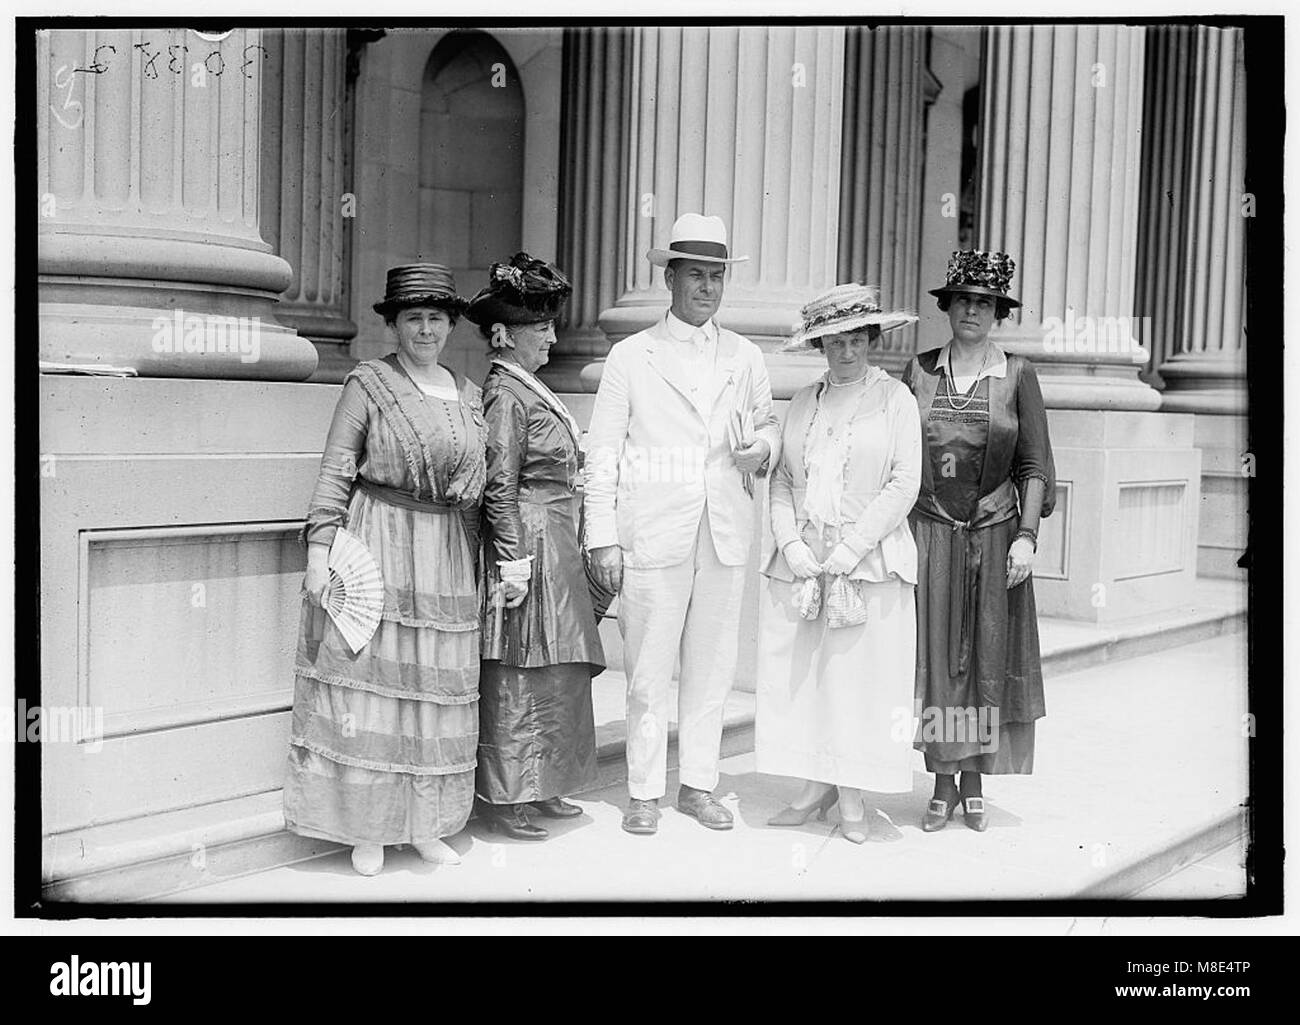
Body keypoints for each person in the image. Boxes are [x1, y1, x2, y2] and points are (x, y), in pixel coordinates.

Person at [284, 264, 487, 876]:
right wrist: (319, 552)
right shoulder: (369, 384)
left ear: (451, 325)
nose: (425, 329)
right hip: (378, 541)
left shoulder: (469, 393)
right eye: (412, 318)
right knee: (371, 689)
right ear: (394, 325)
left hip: (444, 553)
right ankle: (367, 830)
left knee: (431, 690)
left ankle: (425, 826)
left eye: (436, 318)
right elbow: (336, 468)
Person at [585, 212, 782, 835]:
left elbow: (768, 426)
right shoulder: (631, 356)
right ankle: (643, 790)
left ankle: (698, 785)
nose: (707, 287)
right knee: (648, 671)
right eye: (695, 274)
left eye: (716, 276)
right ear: (669, 279)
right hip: (653, 532)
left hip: (723, 531)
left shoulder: (745, 355)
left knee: (712, 667)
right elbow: (603, 452)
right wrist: (601, 537)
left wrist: (762, 449)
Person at [756, 284, 922, 844]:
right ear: (820, 347)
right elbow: (783, 479)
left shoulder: (895, 399)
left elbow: (904, 482)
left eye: (856, 340)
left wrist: (850, 550)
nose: (846, 351)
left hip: (868, 561)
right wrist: (792, 544)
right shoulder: (805, 400)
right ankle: (814, 786)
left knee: (858, 681)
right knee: (810, 680)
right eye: (834, 342)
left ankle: (852, 792)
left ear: (871, 340)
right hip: (807, 562)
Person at [901, 250, 1055, 833]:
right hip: (931, 534)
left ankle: (974, 782)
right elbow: (897, 455)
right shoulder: (919, 371)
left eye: (984, 303)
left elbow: (1034, 465)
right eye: (963, 299)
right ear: (946, 307)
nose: (972, 310)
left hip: (994, 537)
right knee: (941, 663)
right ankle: (943, 781)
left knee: (986, 660)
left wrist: (1026, 536)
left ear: (998, 313)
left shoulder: (1017, 374)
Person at [466, 252, 607, 841]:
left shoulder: (528, 387)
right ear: (504, 334)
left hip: (556, 540)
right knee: (519, 665)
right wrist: (512, 560)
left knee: (554, 667)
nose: (551, 337)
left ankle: (542, 783)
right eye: (541, 328)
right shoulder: (505, 393)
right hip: (528, 541)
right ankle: (505, 795)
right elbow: (498, 484)